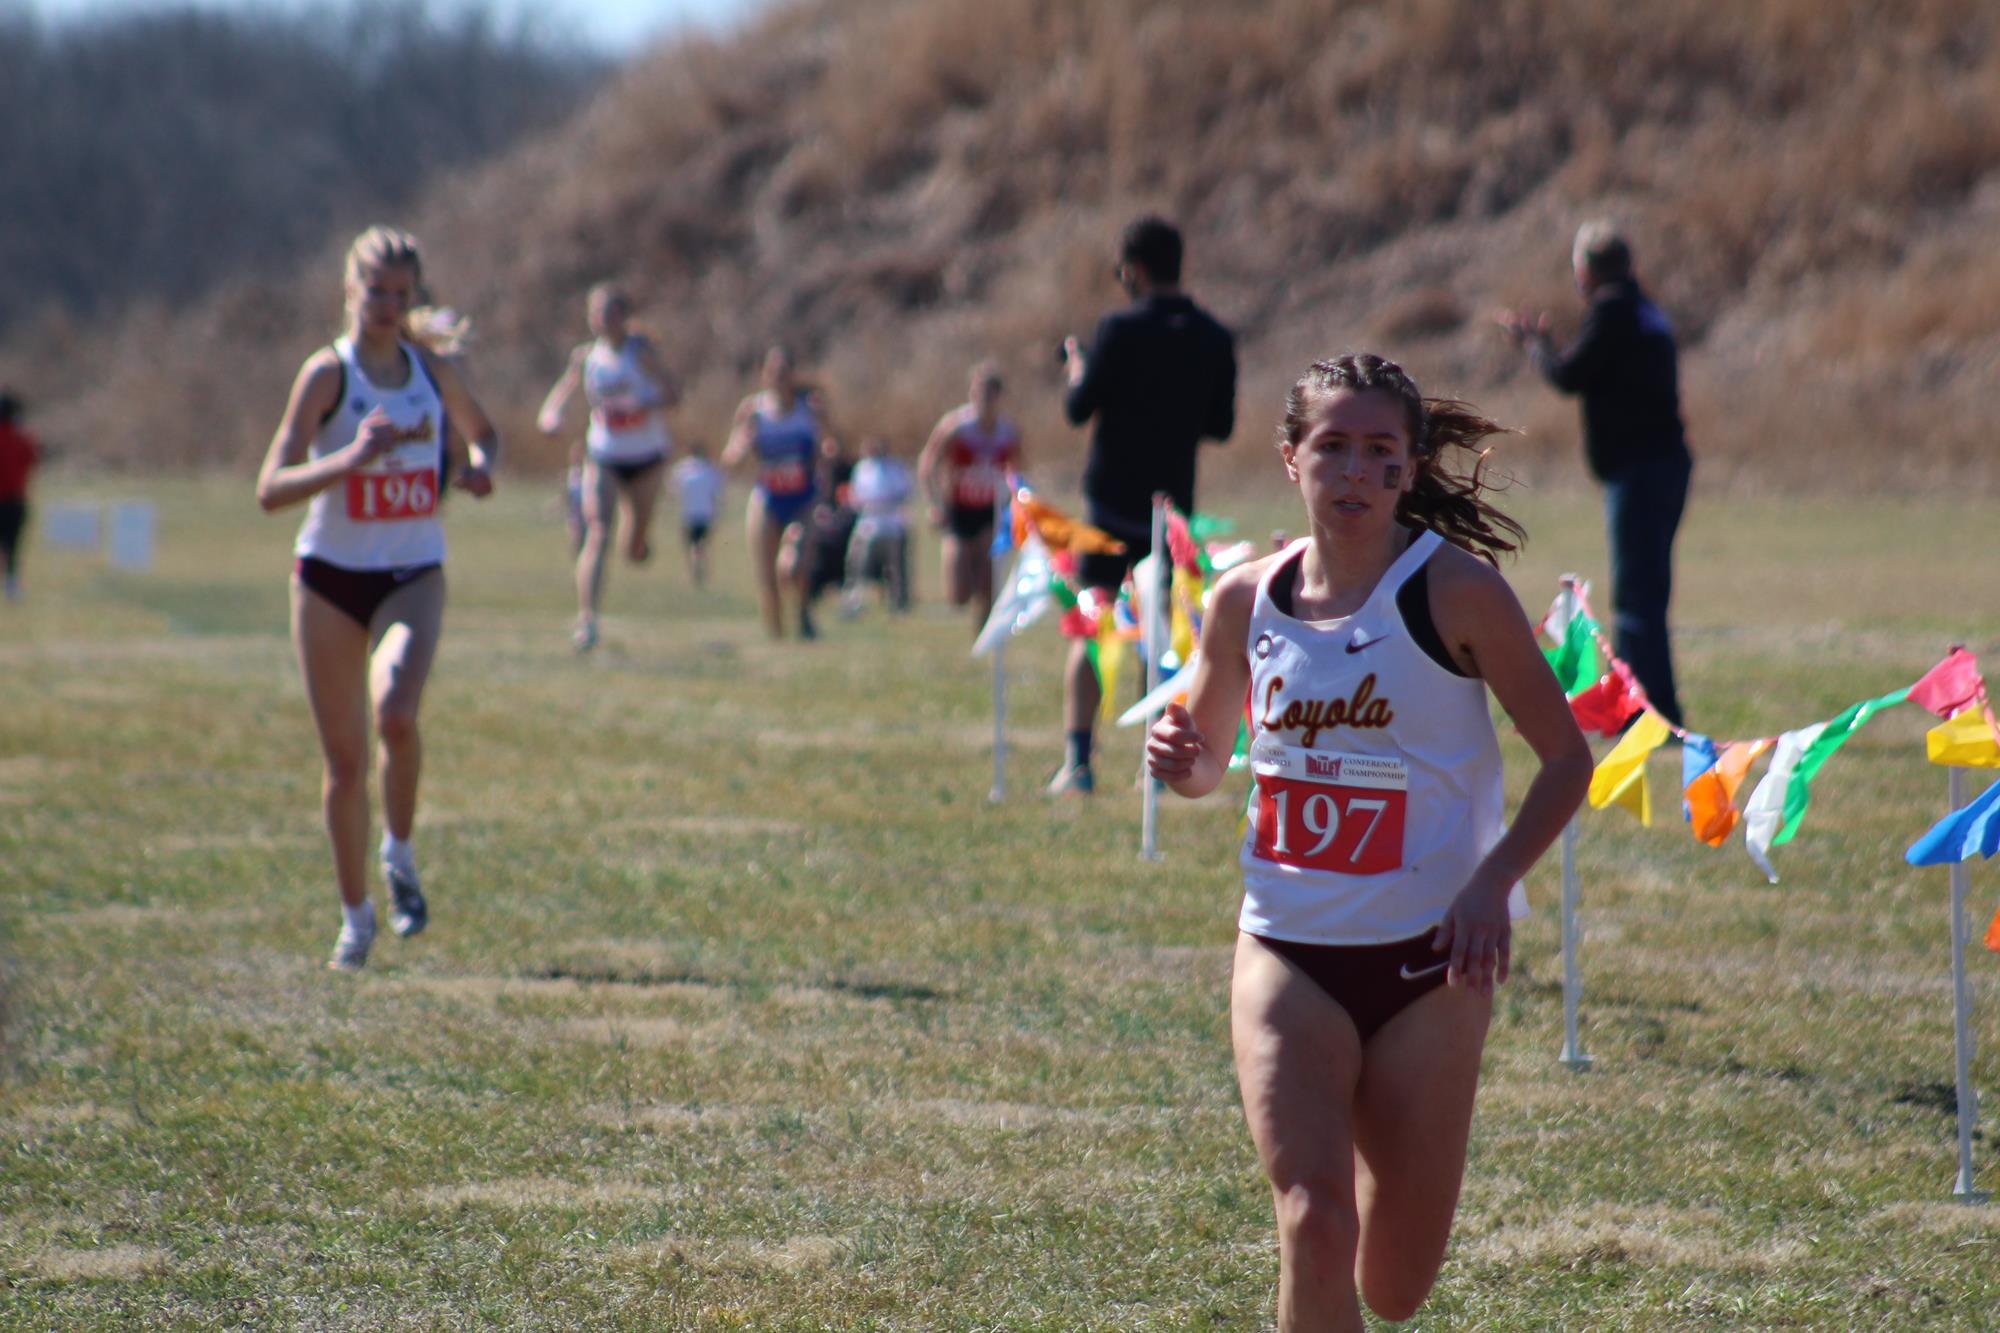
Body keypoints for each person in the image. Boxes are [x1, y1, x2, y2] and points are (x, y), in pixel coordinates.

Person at [1146, 354, 1591, 1332]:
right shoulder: (1241, 599)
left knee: (1391, 1287)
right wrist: (1174, 753)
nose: (1351, 471)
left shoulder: (1456, 594)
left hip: (1432, 963)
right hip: (1285, 950)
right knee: (1311, 1221)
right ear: (1289, 458)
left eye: (1377, 451)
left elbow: (1566, 761)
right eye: (1330, 446)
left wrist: (1490, 883)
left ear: (1407, 466)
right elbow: (1205, 761)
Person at [256, 225, 499, 972]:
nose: (389, 307)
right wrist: (351, 457)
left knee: (396, 709)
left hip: (412, 572)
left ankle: (399, 849)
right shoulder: (327, 375)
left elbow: (483, 433)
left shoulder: (433, 369)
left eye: (402, 294)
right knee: (345, 759)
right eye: (376, 293)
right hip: (329, 577)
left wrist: (481, 466)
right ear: (350, 292)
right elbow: (270, 488)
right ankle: (355, 917)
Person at [1052, 215, 1236, 793]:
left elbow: (1078, 408)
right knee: (1159, 634)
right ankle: (1153, 771)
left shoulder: (1117, 328)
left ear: (1131, 269)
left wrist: (1078, 367)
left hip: (1109, 509)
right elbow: (1222, 426)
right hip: (1170, 515)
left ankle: (1078, 763)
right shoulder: (1213, 335)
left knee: (1092, 623)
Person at [1497, 219, 1693, 726]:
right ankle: (1652, 710)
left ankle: (1645, 715)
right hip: (1665, 465)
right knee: (1647, 595)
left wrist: (1535, 347)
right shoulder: (1648, 313)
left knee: (1634, 600)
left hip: (1639, 472)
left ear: (1584, 270)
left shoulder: (1612, 313)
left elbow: (1569, 375)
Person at [537, 283, 682, 652]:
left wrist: (645, 404)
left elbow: (673, 394)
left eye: (612, 312)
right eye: (598, 312)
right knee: (598, 532)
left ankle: (637, 543)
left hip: (647, 458)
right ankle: (588, 620)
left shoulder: (641, 352)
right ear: (591, 317)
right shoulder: (586, 357)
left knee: (633, 548)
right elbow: (562, 394)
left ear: (624, 316)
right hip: (604, 455)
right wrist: (551, 416)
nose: (605, 319)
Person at [722, 347, 837, 640]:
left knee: (794, 564)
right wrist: (744, 444)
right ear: (763, 375)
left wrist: (826, 455)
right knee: (766, 574)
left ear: (793, 373)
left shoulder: (809, 408)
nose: (779, 377)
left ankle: (802, 610)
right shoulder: (753, 411)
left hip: (803, 497)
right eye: (772, 371)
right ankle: (777, 636)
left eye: (784, 371)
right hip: (768, 496)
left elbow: (832, 445)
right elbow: (730, 459)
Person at [917, 361, 1021, 633]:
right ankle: (970, 581)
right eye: (979, 392)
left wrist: (1014, 503)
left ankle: (983, 632)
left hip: (989, 510)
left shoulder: (1008, 433)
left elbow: (1018, 470)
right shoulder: (956, 428)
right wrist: (934, 504)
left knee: (990, 582)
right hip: (959, 511)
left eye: (990, 393)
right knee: (959, 595)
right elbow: (928, 464)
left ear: (999, 396)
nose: (984, 399)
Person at [841, 435, 912, 615]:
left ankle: (898, 604)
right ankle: (854, 602)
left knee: (895, 569)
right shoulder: (862, 469)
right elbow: (855, 497)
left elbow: (904, 492)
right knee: (856, 566)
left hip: (891, 526)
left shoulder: (895, 468)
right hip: (866, 526)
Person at [0, 392, 42, 602]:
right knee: (13, 546)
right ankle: (11, 584)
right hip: (15, 501)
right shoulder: (22, 438)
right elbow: (33, 459)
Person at [671, 441, 724, 588]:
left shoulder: (683, 469)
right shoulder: (711, 470)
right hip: (706, 514)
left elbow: (673, 490)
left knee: (691, 546)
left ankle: (694, 573)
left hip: (688, 514)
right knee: (701, 545)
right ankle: (700, 572)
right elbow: (718, 493)